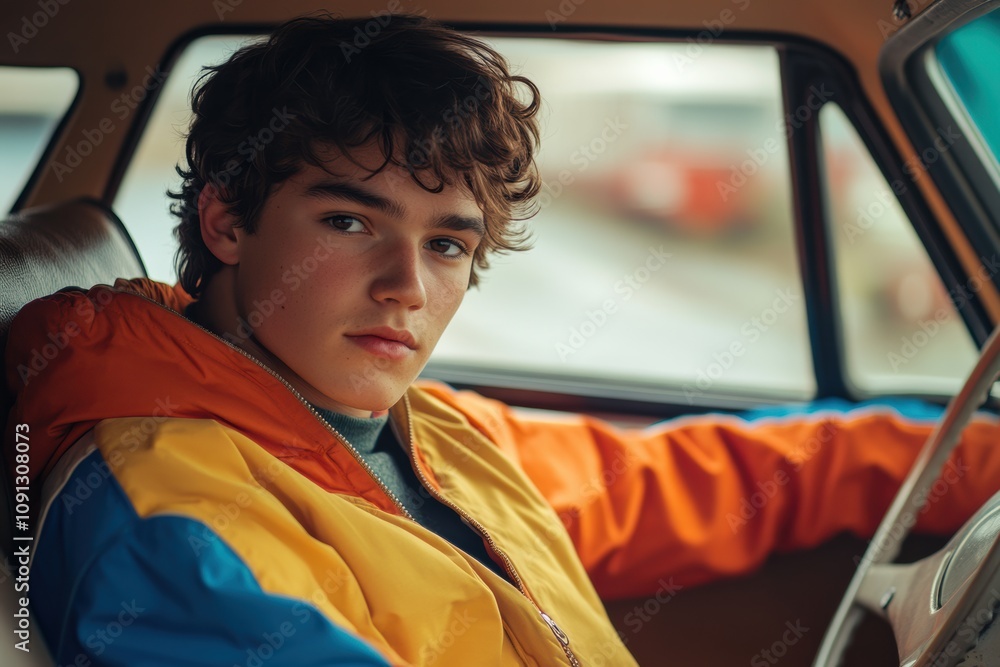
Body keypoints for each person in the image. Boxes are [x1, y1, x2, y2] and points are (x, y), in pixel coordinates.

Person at [6, 12, 1000, 667]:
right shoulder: (161, 512)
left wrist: (974, 460)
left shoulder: (417, 429)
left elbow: (699, 476)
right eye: (349, 223)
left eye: (446, 243)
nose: (407, 287)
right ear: (226, 223)